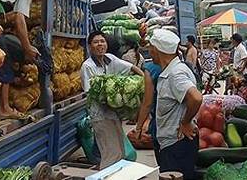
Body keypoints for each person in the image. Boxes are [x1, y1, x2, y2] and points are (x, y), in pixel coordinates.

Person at [80, 30, 144, 169]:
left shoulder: (110, 59)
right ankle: (106, 175)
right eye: (96, 42)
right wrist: (115, 98)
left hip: (114, 113)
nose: (100, 44)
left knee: (119, 149)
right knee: (110, 152)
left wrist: (144, 80)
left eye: (102, 41)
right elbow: (90, 92)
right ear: (90, 46)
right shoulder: (87, 66)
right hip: (100, 115)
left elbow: (131, 67)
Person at [148, 29, 202, 178]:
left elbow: (196, 98)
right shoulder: (170, 71)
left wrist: (185, 122)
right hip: (172, 144)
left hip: (177, 145)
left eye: (150, 47)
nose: (148, 51)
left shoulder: (175, 74)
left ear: (157, 50)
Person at [0, 0, 47, 119]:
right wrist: (27, 47)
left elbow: (10, 18)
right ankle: (4, 108)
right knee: (5, 58)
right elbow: (19, 19)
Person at [134, 62, 163, 163]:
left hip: (160, 125)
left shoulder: (151, 69)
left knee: (165, 165)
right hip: (178, 127)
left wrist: (138, 129)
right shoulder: (182, 66)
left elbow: (147, 103)